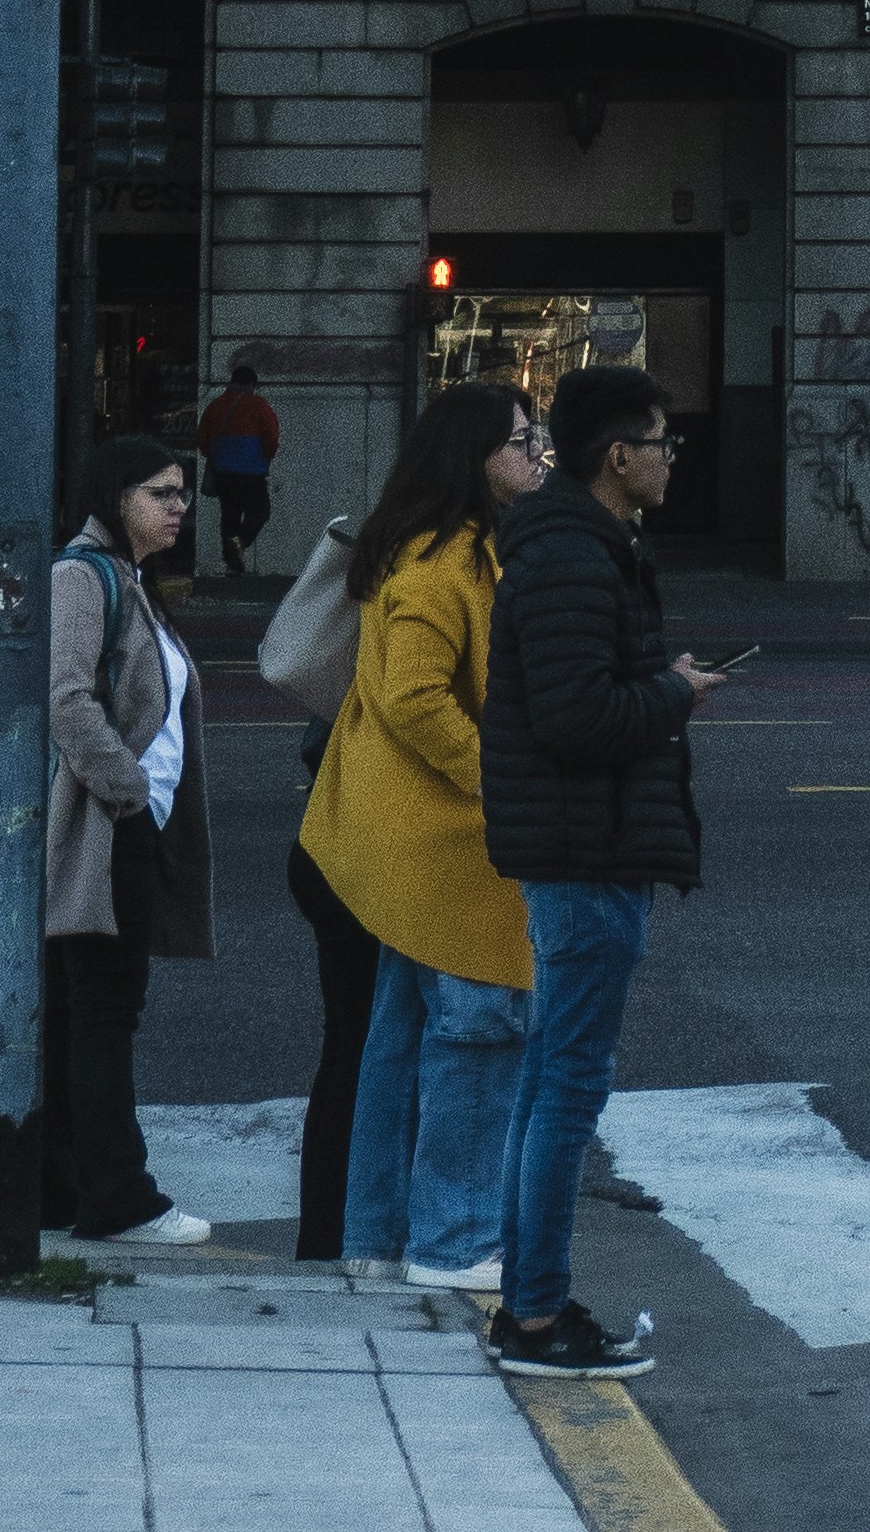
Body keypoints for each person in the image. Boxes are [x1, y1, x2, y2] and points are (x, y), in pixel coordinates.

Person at [475, 367, 729, 1381]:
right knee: (566, 1091)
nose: (673, 457)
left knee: (549, 1085)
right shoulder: (577, 558)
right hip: (587, 854)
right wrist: (672, 692)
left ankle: (529, 1306)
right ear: (619, 458)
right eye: (664, 441)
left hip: (586, 846)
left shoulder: (587, 547)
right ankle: (535, 1318)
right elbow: (578, 719)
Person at [299, 383, 549, 1289]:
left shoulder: (450, 547)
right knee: (478, 1031)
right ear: (473, 454)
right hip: (441, 842)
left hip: (409, 841)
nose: (537, 453)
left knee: (399, 1039)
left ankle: (377, 1237)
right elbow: (413, 696)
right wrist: (499, 773)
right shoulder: (443, 558)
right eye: (522, 440)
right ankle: (452, 1241)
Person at [44, 430, 217, 1249]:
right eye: (162, 493)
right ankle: (118, 1194)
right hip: (107, 830)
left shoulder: (129, 580)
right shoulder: (85, 575)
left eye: (184, 493)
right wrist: (130, 792)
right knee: (103, 1011)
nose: (180, 507)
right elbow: (68, 698)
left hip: (126, 826)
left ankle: (58, 1182)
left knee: (81, 1010)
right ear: (116, 497)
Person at [198, 348, 284, 576]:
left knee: (230, 515)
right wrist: (266, 455)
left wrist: (217, 456)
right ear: (252, 385)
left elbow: (203, 440)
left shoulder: (214, 406)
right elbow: (272, 437)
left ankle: (232, 563)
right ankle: (240, 542)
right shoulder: (259, 406)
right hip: (252, 471)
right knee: (260, 511)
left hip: (223, 473)